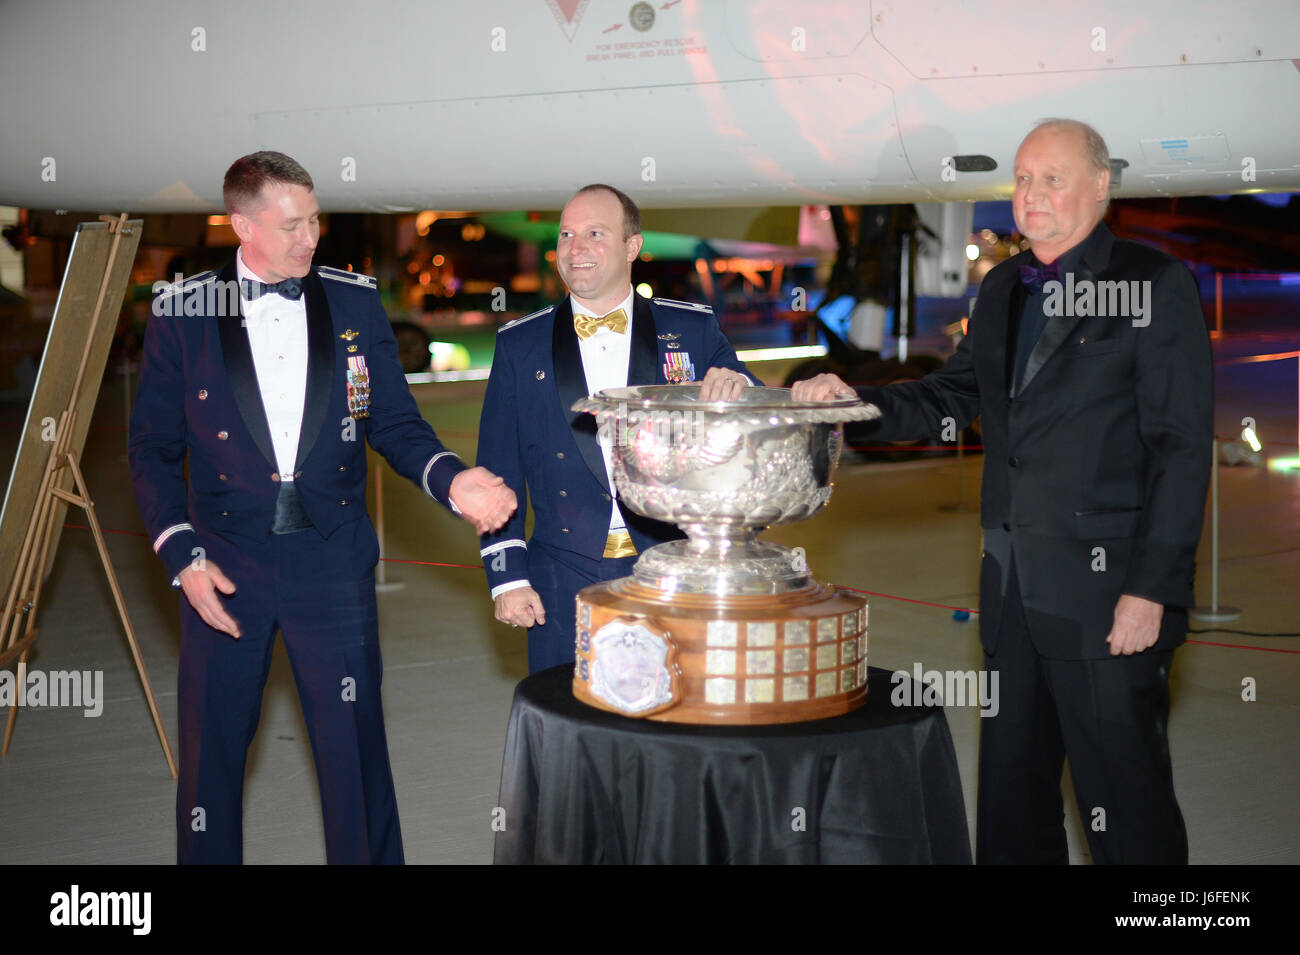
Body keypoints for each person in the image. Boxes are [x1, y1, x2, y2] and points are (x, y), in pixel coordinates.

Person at [793, 119, 1212, 864]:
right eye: (1022, 178)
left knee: (1129, 811)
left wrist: (1152, 590)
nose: (1032, 194)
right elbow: (951, 397)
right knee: (1013, 810)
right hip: (1013, 594)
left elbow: (1180, 452)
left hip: (1107, 602)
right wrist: (852, 399)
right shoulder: (1002, 290)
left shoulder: (1154, 284)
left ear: (1101, 184)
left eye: (1053, 177)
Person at [129, 151, 516, 864]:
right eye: (290, 226)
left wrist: (451, 480)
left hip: (332, 561)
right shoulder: (183, 311)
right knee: (210, 764)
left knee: (355, 760)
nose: (310, 238)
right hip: (222, 566)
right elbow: (150, 449)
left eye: (315, 220)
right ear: (241, 224)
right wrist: (181, 555)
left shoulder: (353, 300)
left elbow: (395, 425)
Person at [477, 183, 758, 673]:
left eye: (594, 233)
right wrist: (508, 577)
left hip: (672, 565)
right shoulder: (520, 344)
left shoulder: (690, 330)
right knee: (565, 729)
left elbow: (745, 408)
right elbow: (497, 469)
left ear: (633, 246)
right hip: (560, 573)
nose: (575, 248)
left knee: (670, 721)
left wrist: (739, 385)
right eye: (566, 234)